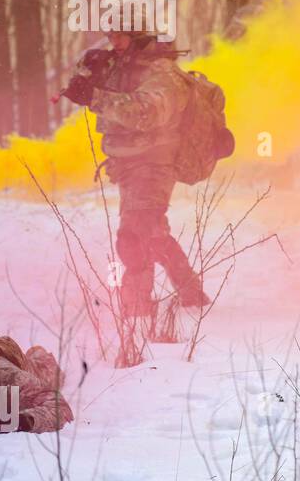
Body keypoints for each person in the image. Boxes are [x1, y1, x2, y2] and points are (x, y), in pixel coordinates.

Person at [61, 28, 208, 318]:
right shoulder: (121, 68)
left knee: (133, 233)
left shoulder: (163, 73)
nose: (113, 43)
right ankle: (192, 293)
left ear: (139, 37)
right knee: (152, 233)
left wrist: (95, 96)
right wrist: (87, 72)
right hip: (128, 164)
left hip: (155, 164)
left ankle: (136, 310)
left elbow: (146, 112)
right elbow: (84, 90)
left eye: (121, 37)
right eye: (110, 36)